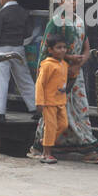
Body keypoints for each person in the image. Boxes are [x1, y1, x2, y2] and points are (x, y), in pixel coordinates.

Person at [28, 0, 98, 164]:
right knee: (52, 111)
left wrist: (80, 63)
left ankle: (87, 149)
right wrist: (69, 59)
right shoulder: (55, 22)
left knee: (80, 110)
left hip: (75, 75)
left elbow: (86, 47)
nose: (73, 2)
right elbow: (48, 50)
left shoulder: (79, 21)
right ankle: (41, 147)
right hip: (57, 75)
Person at [35, 32, 69, 164]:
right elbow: (40, 84)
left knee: (63, 125)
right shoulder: (48, 65)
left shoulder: (63, 64)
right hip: (49, 102)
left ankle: (45, 142)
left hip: (60, 101)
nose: (62, 50)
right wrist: (39, 102)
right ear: (50, 50)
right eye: (59, 47)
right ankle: (46, 153)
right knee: (50, 126)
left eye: (64, 47)